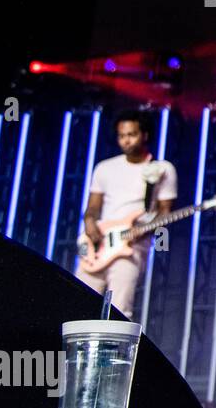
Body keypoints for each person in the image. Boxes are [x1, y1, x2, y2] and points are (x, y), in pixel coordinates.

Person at [76, 110, 178, 318]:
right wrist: (89, 223)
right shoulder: (105, 168)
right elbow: (93, 206)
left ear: (145, 135)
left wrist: (141, 231)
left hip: (132, 248)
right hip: (98, 245)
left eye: (131, 135)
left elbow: (165, 213)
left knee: (119, 310)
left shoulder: (162, 169)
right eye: (121, 136)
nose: (126, 141)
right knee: (79, 305)